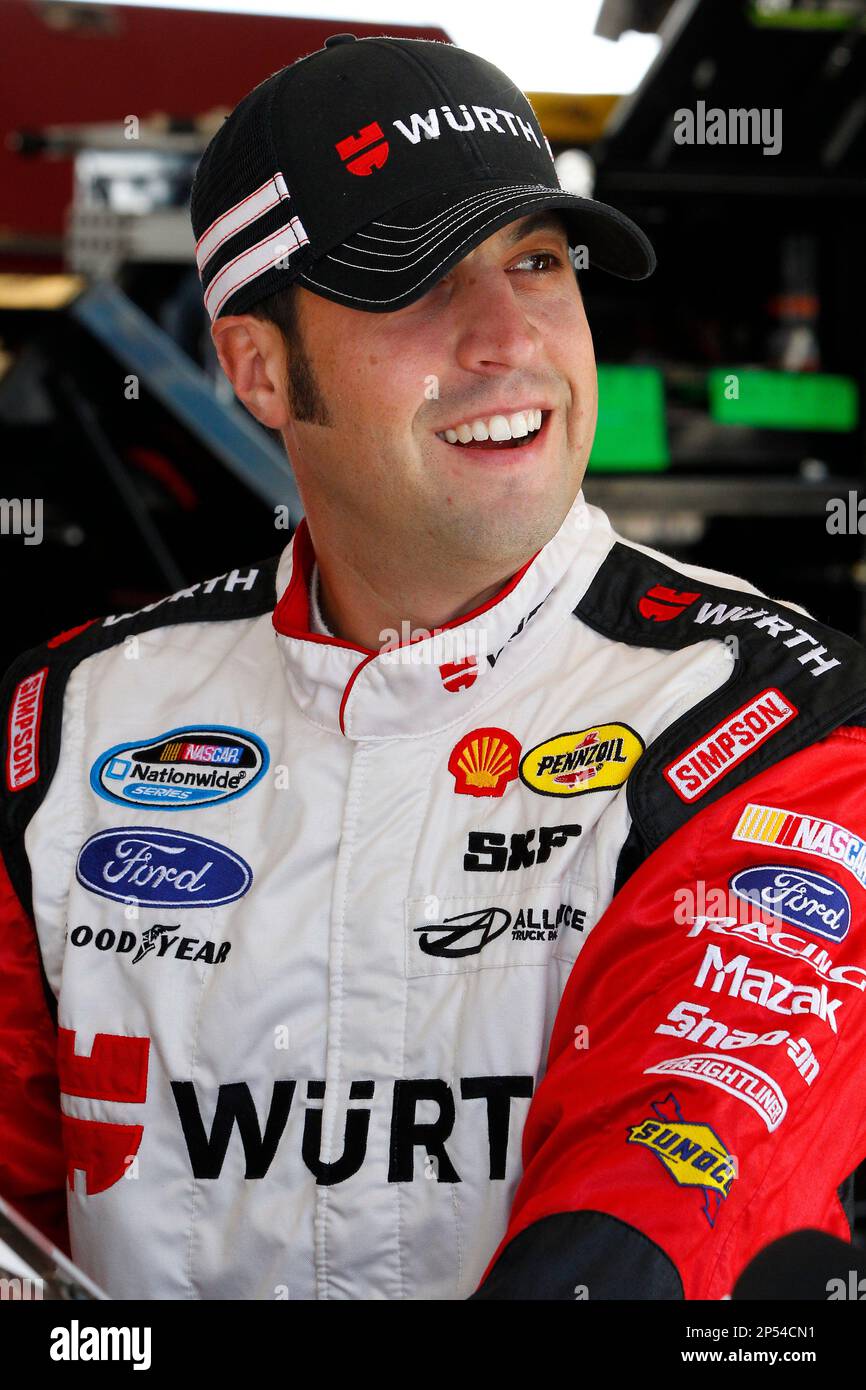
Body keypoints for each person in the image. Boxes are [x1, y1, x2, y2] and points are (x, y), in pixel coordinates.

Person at [2, 33, 866, 1302]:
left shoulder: (773, 723)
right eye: (411, 280)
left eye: (534, 262)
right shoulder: (61, 730)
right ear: (256, 369)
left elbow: (660, 1208)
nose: (507, 338)